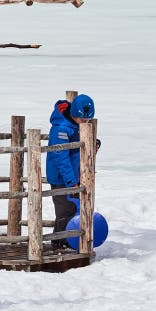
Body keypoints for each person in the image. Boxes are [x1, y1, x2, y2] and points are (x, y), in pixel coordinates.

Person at [45, 94, 100, 250]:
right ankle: (59, 241)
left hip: (75, 177)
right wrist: (70, 180)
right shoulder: (61, 129)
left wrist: (94, 143)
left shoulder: (75, 127)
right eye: (83, 120)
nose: (86, 123)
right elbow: (60, 156)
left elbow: (79, 149)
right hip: (62, 178)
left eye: (88, 120)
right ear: (74, 114)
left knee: (74, 209)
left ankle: (69, 239)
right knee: (64, 210)